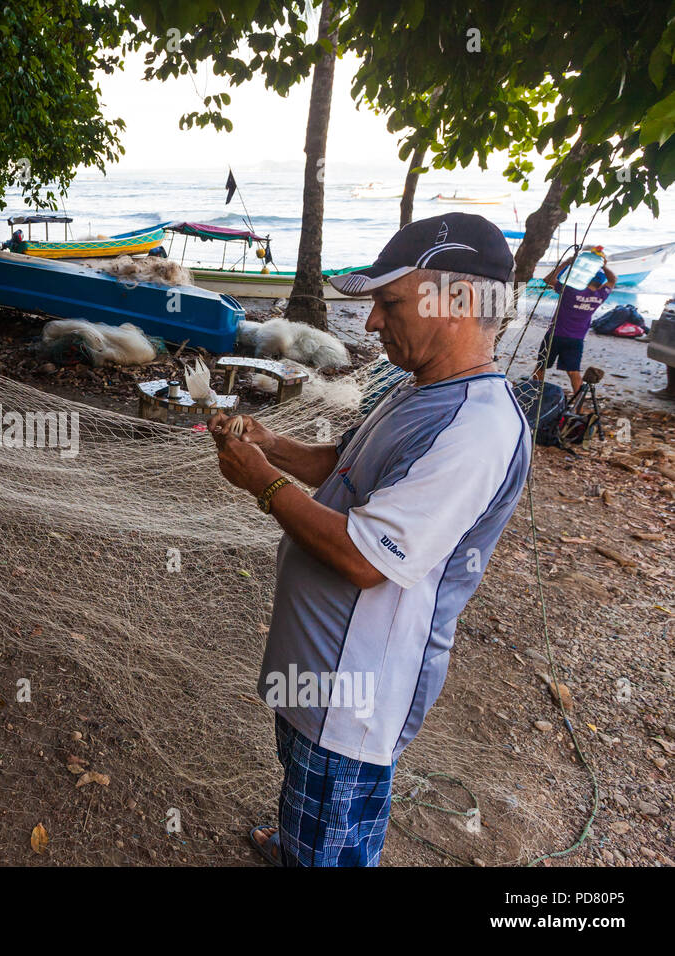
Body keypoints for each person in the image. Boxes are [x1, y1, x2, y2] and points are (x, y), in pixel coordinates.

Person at [209, 212, 531, 866]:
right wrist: (273, 448)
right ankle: (297, 841)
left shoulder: (475, 430)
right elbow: (345, 467)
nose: (373, 323)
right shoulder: (423, 389)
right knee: (307, 791)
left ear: (459, 302)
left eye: (389, 303)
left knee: (331, 829)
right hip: (318, 682)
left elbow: (362, 559)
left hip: (351, 699)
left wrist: (262, 483)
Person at [533, 247, 617, 394]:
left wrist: (567, 262)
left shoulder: (570, 291)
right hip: (576, 340)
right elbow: (613, 280)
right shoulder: (600, 296)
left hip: (555, 335)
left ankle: (533, 394)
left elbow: (548, 280)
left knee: (541, 367)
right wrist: (603, 264)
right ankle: (578, 405)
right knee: (573, 372)